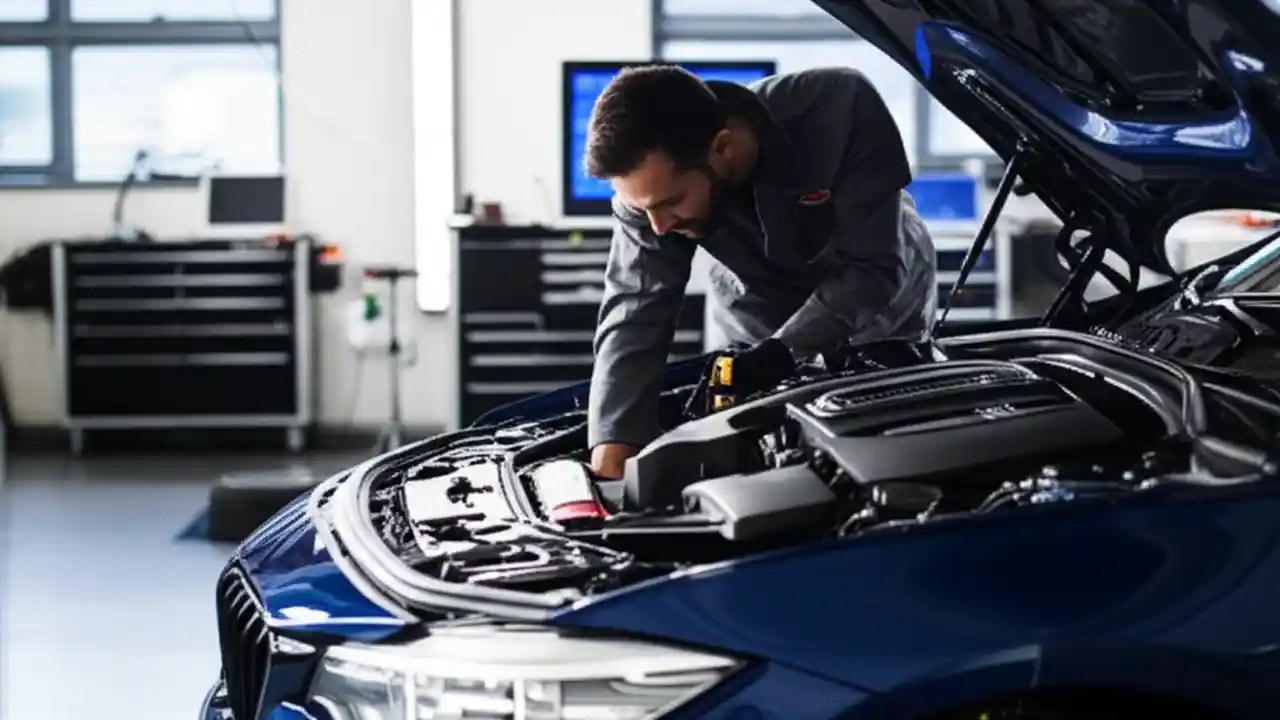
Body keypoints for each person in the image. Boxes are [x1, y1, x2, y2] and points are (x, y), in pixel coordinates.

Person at [584, 65, 938, 479]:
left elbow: (871, 268)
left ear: (723, 147)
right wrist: (611, 445)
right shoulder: (652, 190)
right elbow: (635, 309)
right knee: (753, 443)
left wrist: (784, 352)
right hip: (752, 311)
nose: (658, 226)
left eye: (671, 202)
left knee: (886, 443)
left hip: (880, 303)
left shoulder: (838, 109)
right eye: (642, 210)